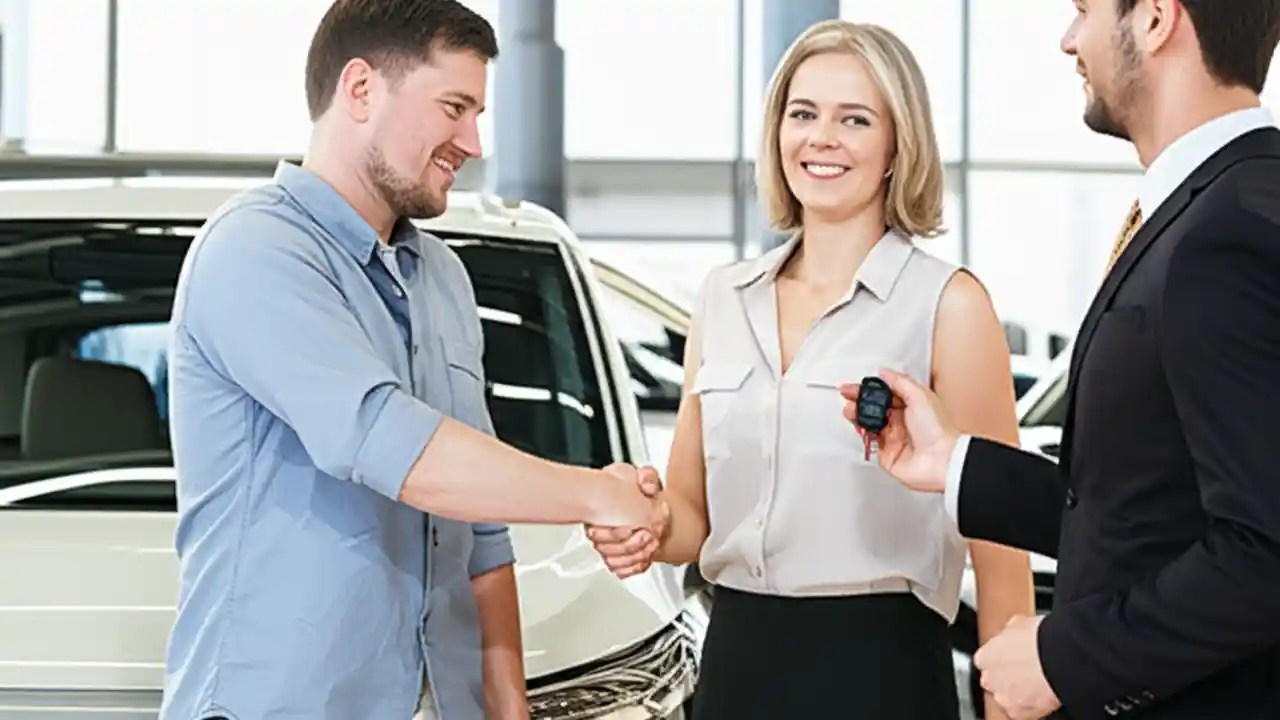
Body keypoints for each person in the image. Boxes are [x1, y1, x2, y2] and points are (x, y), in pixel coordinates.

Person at [159, 2, 662, 719]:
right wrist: (599, 494)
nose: (475, 142)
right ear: (361, 90)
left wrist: (508, 710)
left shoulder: (445, 278)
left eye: (479, 113)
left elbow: (481, 535)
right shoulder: (256, 251)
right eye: (454, 106)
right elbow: (386, 442)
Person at [841, 1, 1280, 718]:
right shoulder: (1214, 209)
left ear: (1158, 19)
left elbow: (1265, 551)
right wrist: (953, 463)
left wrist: (1063, 656)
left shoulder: (1226, 232)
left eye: (1083, 11)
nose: (1068, 40)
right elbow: (1157, 514)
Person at [587, 19, 1033, 719]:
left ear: (896, 145)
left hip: (880, 675)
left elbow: (1001, 547)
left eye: (854, 119)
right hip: (736, 667)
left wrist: (1011, 708)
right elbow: (692, 519)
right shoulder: (722, 299)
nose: (821, 137)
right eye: (803, 114)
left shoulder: (948, 304)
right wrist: (641, 522)